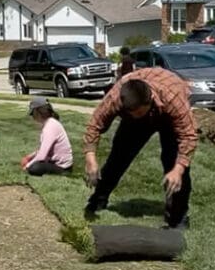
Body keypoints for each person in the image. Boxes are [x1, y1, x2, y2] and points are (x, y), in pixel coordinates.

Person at [82, 68, 197, 228]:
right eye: (132, 112)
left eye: (139, 112)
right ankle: (98, 200)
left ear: (149, 100)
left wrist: (178, 169)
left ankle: (178, 216)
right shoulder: (116, 97)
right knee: (118, 157)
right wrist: (90, 158)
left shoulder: (173, 97)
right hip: (139, 115)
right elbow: (95, 124)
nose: (136, 115)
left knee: (173, 163)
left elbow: (188, 136)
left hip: (168, 116)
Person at [21, 98, 73, 175]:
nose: (32, 116)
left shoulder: (50, 127)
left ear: (38, 112)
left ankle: (62, 173)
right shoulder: (50, 123)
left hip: (62, 167)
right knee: (35, 164)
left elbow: (42, 155)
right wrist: (29, 157)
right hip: (56, 162)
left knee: (34, 168)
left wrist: (27, 166)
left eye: (32, 113)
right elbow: (43, 149)